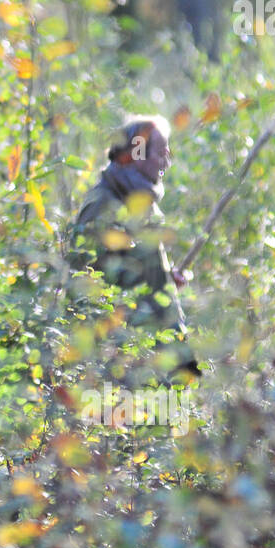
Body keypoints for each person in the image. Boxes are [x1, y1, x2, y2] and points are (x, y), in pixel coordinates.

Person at [68, 114, 200, 378]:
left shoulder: (139, 203)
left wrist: (162, 278)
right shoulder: (102, 207)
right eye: (160, 152)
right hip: (117, 364)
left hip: (151, 361)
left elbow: (131, 270)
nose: (166, 160)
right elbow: (86, 287)